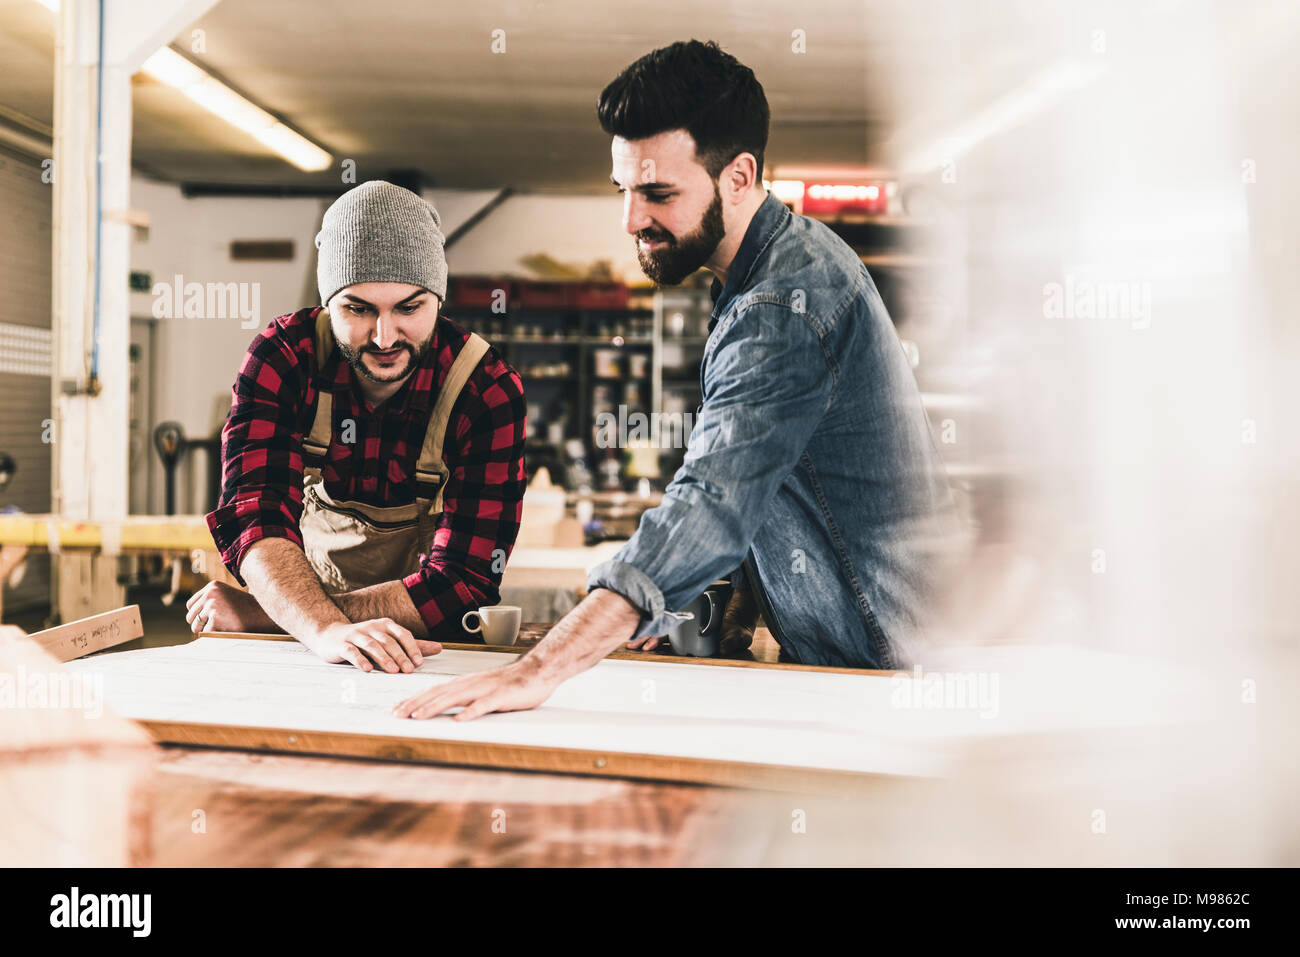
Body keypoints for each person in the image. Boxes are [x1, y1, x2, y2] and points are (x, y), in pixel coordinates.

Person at [393, 38, 961, 721]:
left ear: (740, 176)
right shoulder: (769, 270)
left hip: (894, 676)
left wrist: (541, 668)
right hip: (874, 664)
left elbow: (713, 505)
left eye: (657, 193)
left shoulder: (782, 303)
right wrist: (699, 603)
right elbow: (773, 488)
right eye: (625, 190)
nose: (631, 220)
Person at [188, 181, 527, 674]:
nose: (384, 337)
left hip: (426, 662)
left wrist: (269, 615)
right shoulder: (284, 360)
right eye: (357, 308)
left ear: (438, 298)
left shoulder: (486, 390)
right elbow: (255, 517)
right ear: (328, 302)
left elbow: (462, 582)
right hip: (304, 653)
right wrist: (323, 630)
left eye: (408, 308)